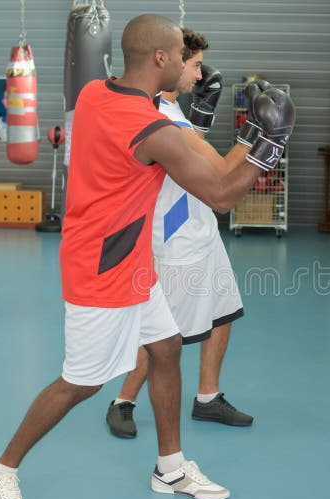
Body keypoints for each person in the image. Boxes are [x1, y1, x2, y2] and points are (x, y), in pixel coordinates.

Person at [0, 14, 295, 499]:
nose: (196, 69)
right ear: (161, 60)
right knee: (80, 382)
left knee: (166, 349)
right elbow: (219, 197)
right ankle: (1, 470)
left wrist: (205, 122)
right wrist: (270, 146)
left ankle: (169, 466)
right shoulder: (150, 129)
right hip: (102, 267)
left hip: (129, 258)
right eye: (184, 58)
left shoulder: (97, 95)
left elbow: (174, 138)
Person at [106, 28, 255, 438]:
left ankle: (207, 397)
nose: (200, 72)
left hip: (201, 228)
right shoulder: (162, 117)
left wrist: (203, 113)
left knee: (223, 312)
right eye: (193, 64)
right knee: (161, 335)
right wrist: (259, 132)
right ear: (169, 61)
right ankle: (123, 400)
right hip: (176, 240)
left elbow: (193, 144)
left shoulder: (172, 109)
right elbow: (221, 169)